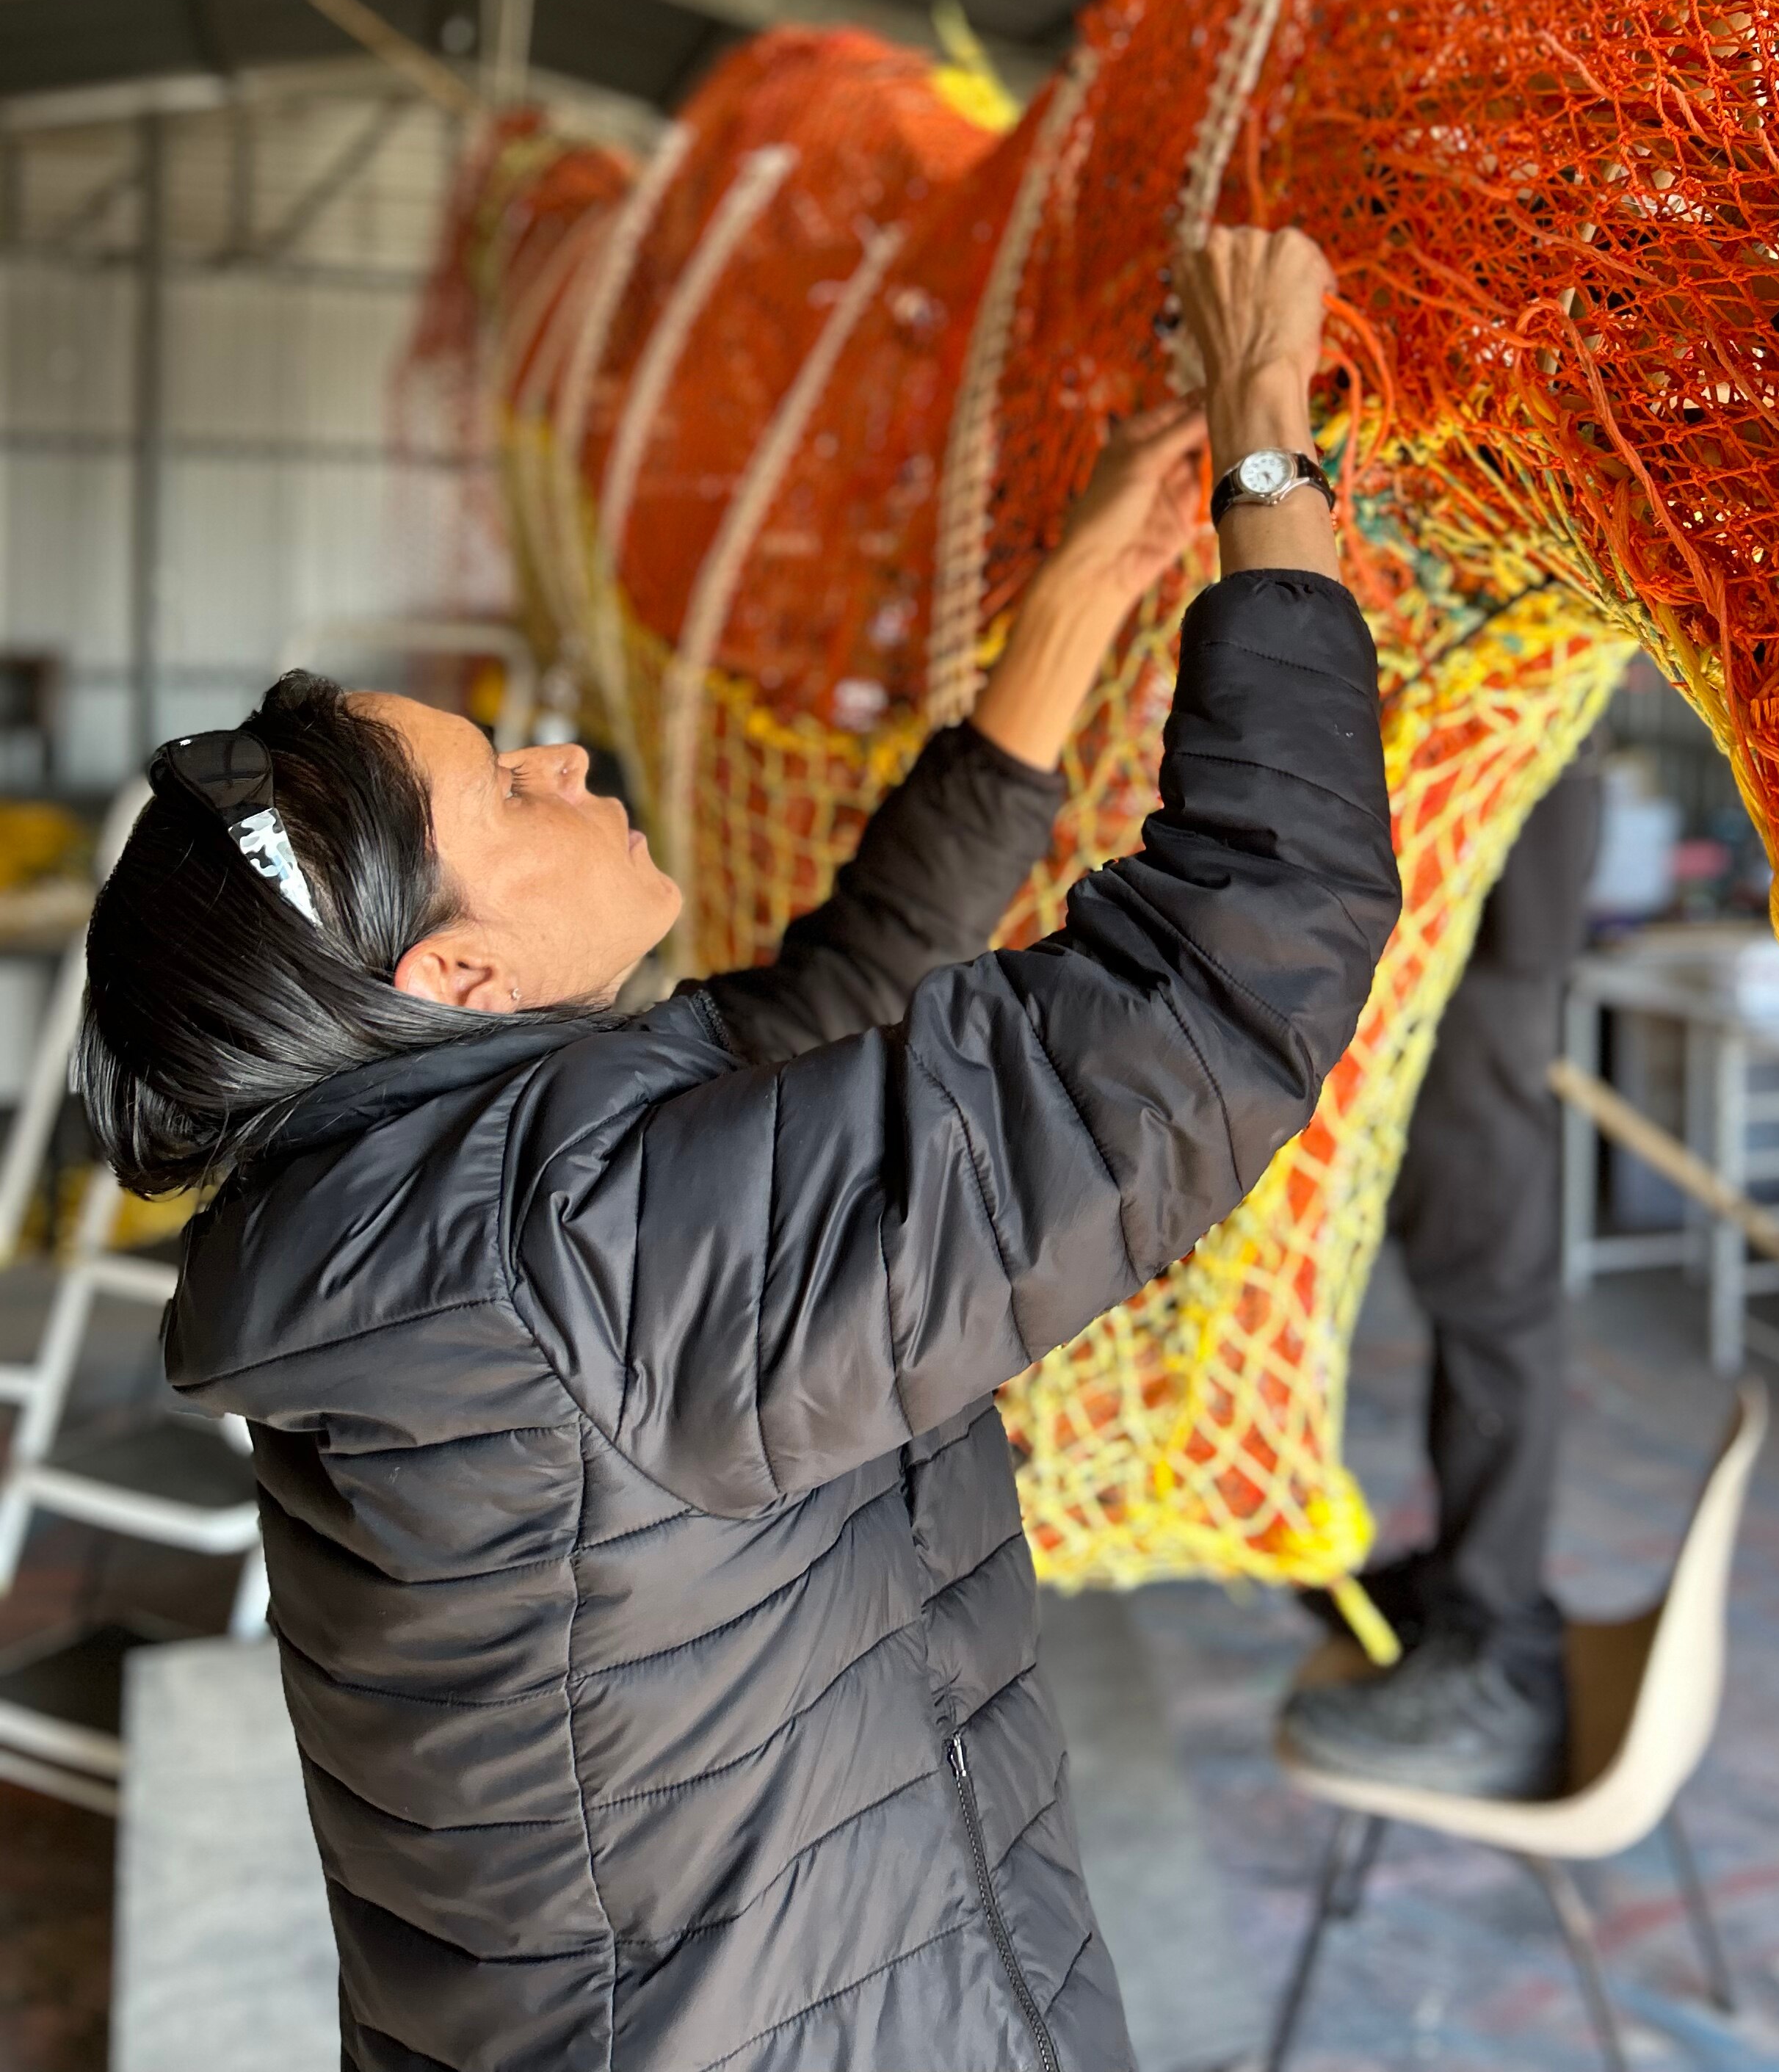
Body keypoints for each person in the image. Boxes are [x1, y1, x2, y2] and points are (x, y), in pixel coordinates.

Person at [73, 225, 1397, 2072]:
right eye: (503, 788)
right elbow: (1251, 955)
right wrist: (1268, 430)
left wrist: (1095, 573)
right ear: (453, 974)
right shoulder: (592, 1258)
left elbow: (844, 1002)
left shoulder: (406, 1222)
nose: (557, 758)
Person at [1283, 760, 1602, 1800]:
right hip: (1443, 849)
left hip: (1486, 853)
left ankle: (1496, 1646)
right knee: (1458, 1257)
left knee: (1492, 1281)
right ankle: (1466, 1583)